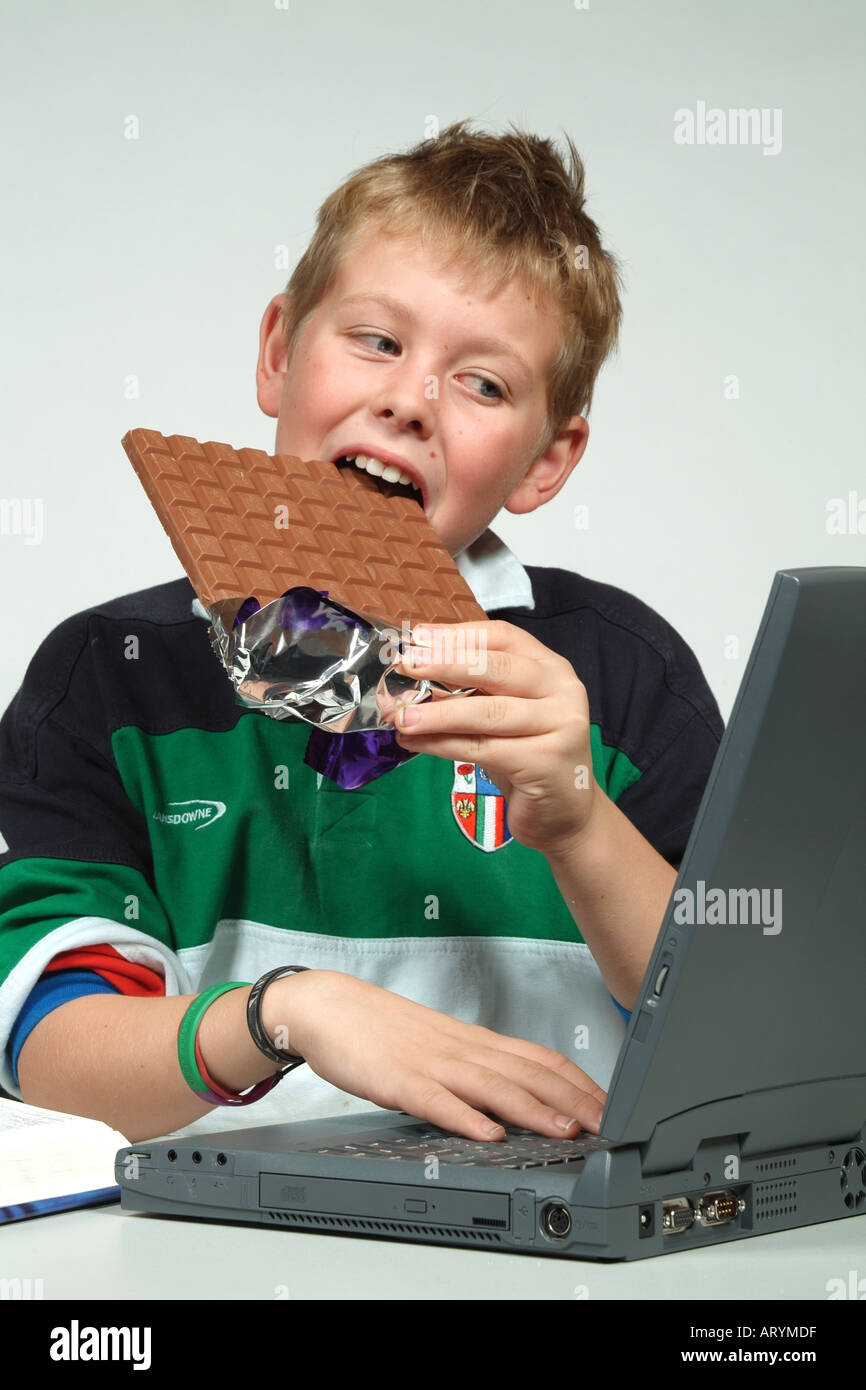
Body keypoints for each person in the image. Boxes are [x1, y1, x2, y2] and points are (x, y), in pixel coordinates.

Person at [0, 121, 723, 1145]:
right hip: (208, 1249)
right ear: (278, 351)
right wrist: (289, 1010)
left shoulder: (619, 678)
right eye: (377, 341)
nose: (407, 400)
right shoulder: (110, 682)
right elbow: (52, 1056)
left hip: (535, 1254)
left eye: (482, 383)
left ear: (544, 459)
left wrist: (574, 819)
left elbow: (735, 1044)